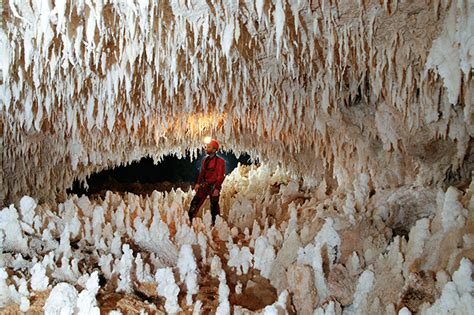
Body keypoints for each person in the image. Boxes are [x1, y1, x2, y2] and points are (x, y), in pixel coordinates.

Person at [188, 139, 226, 224]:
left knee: (214, 206)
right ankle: (190, 220)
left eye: (208, 147)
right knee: (195, 202)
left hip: (214, 185)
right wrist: (198, 183)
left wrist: (217, 188)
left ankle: (215, 223)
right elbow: (202, 173)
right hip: (205, 185)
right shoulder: (205, 160)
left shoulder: (220, 161)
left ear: (214, 149)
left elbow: (221, 176)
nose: (206, 148)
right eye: (206, 147)